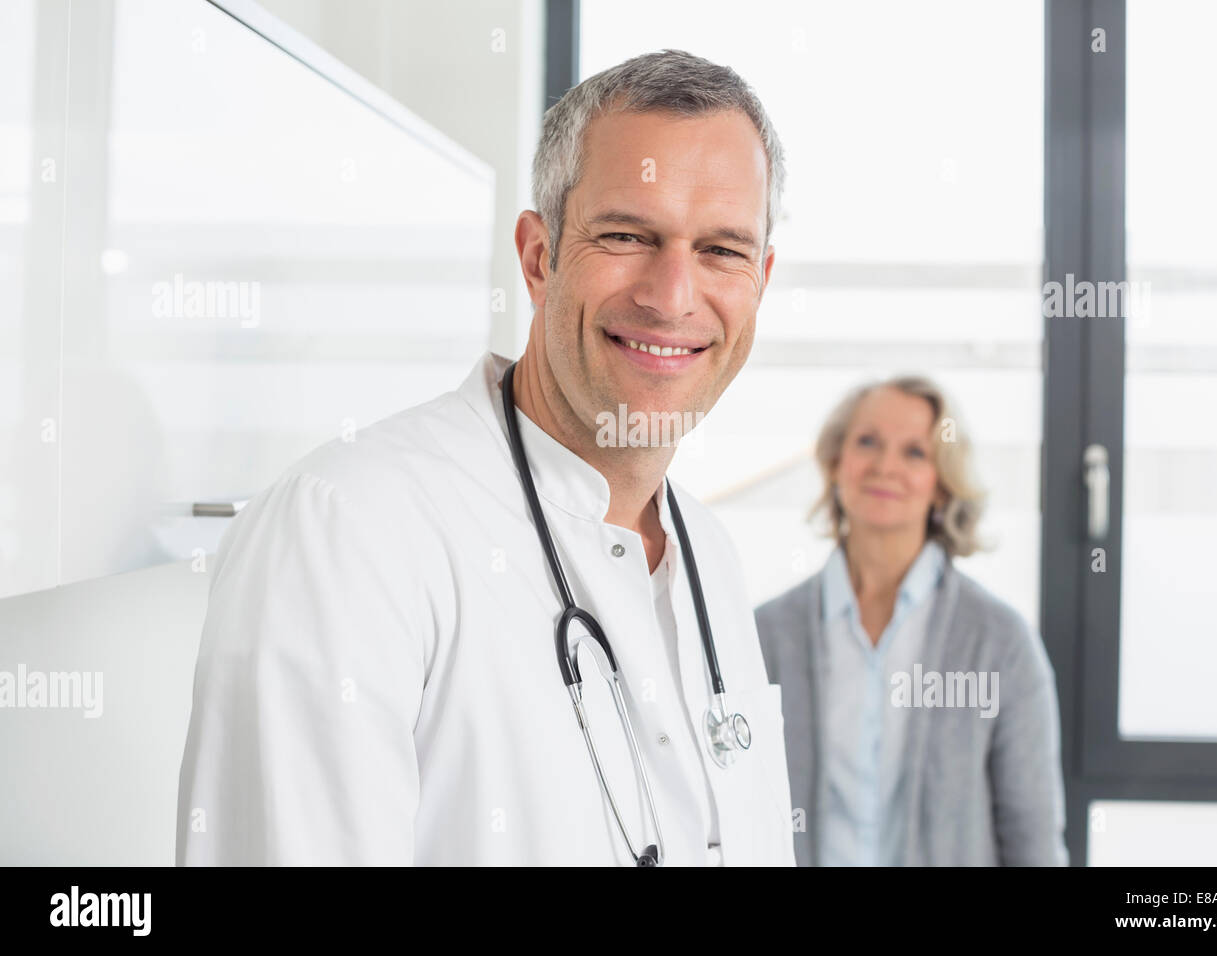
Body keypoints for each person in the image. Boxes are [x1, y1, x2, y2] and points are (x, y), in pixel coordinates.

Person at [176, 49, 795, 866]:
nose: (672, 294)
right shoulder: (347, 531)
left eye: (721, 250)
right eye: (626, 234)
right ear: (539, 258)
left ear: (761, 278)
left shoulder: (709, 557)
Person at [754, 376, 1068, 866]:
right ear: (836, 463)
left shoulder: (1000, 642)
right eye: (867, 442)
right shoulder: (764, 635)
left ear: (942, 486)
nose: (885, 466)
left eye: (915, 453)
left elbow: (1032, 840)